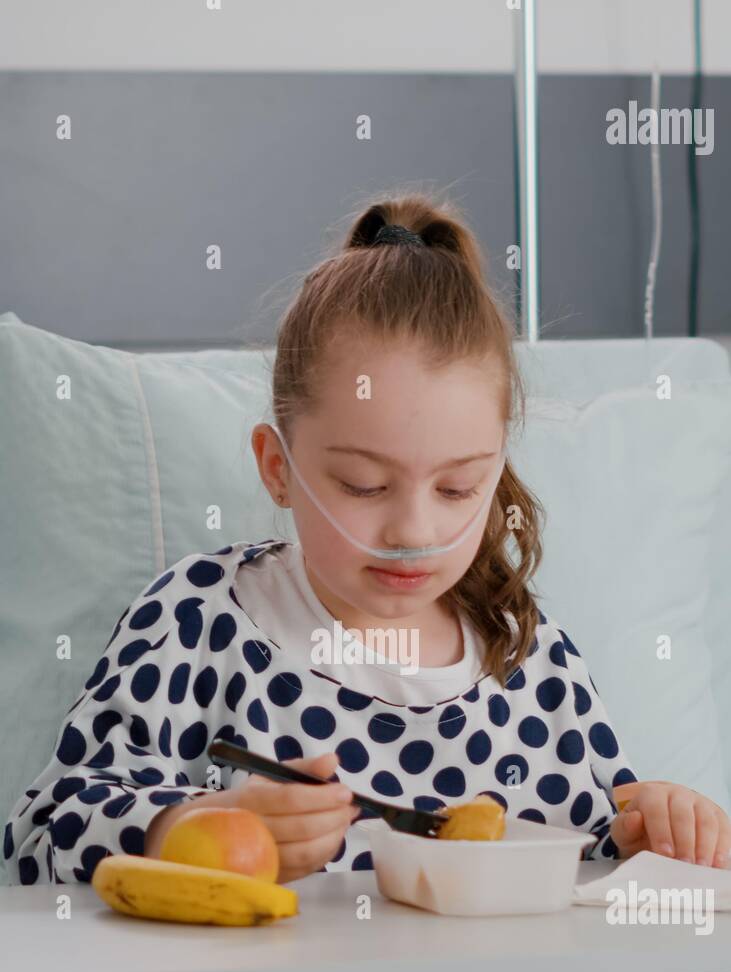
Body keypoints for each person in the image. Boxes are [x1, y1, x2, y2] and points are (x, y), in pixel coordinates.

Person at [4, 193, 730, 886]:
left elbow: (590, 852)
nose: (414, 532)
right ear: (275, 467)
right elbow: (39, 841)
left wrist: (648, 834)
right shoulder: (199, 622)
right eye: (362, 485)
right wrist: (191, 830)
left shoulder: (531, 660)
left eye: (456, 489)